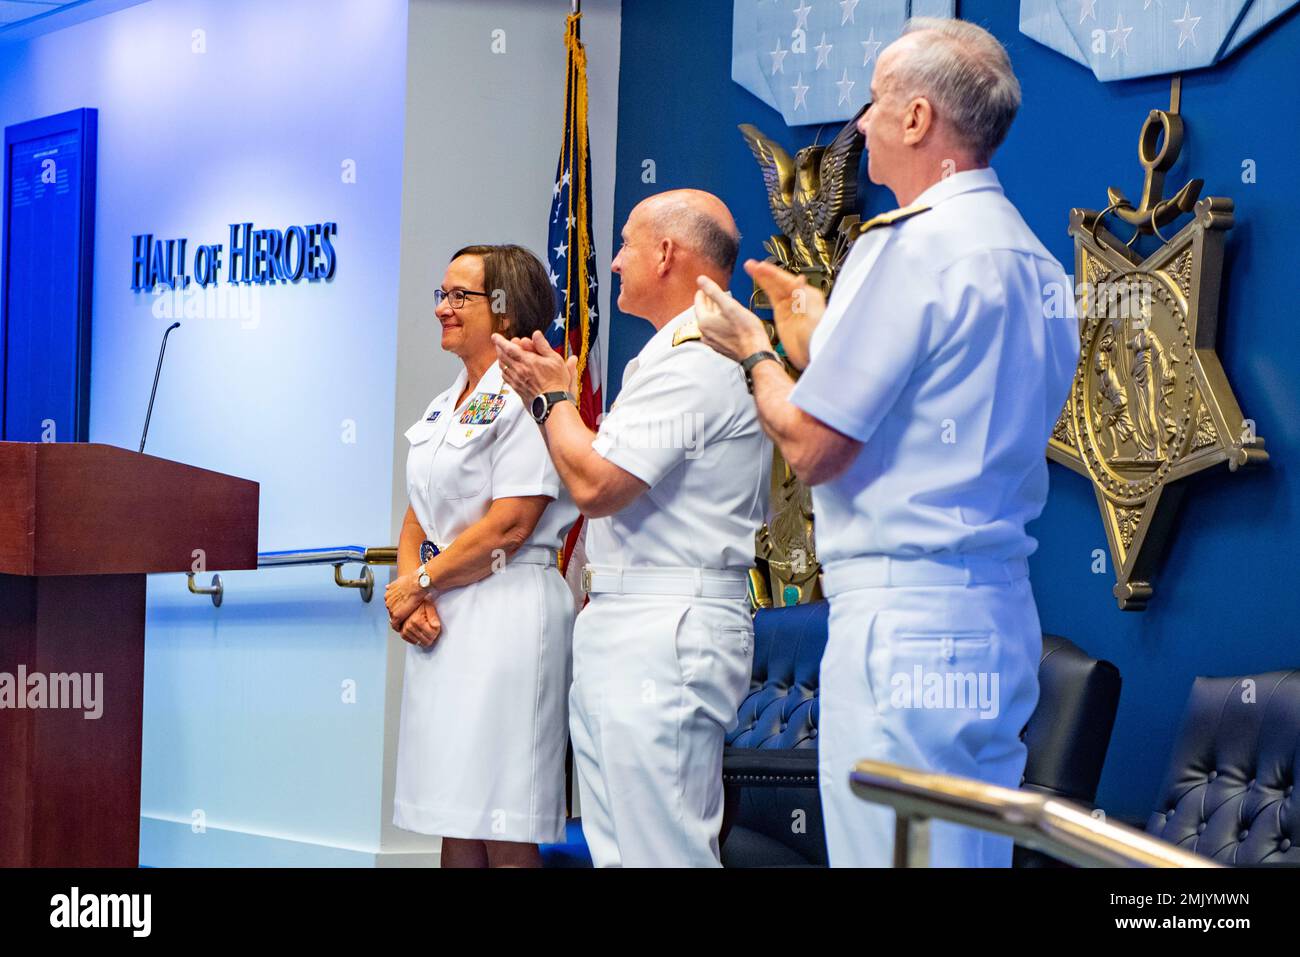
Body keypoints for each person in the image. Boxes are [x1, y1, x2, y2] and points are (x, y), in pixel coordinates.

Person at [693, 18, 1079, 867]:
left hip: (903, 622)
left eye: (872, 102)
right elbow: (926, 409)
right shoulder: (1039, 265)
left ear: (916, 120)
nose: (858, 123)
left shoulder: (908, 248)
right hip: (994, 613)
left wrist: (754, 350)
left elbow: (812, 446)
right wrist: (816, 336)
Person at [492, 189, 771, 867]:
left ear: (668, 253)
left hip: (665, 623)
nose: (614, 262)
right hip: (632, 617)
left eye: (625, 245)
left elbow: (595, 485)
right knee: (623, 852)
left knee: (661, 852)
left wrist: (554, 398)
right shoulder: (669, 356)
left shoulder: (700, 359)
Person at [387, 243, 578, 868]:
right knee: (455, 815)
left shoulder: (528, 391)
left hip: (507, 612)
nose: (443, 307)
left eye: (458, 296)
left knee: (503, 816)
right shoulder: (449, 400)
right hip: (446, 616)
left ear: (504, 310)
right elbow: (421, 509)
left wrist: (418, 583)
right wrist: (409, 589)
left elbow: (509, 526)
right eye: (440, 295)